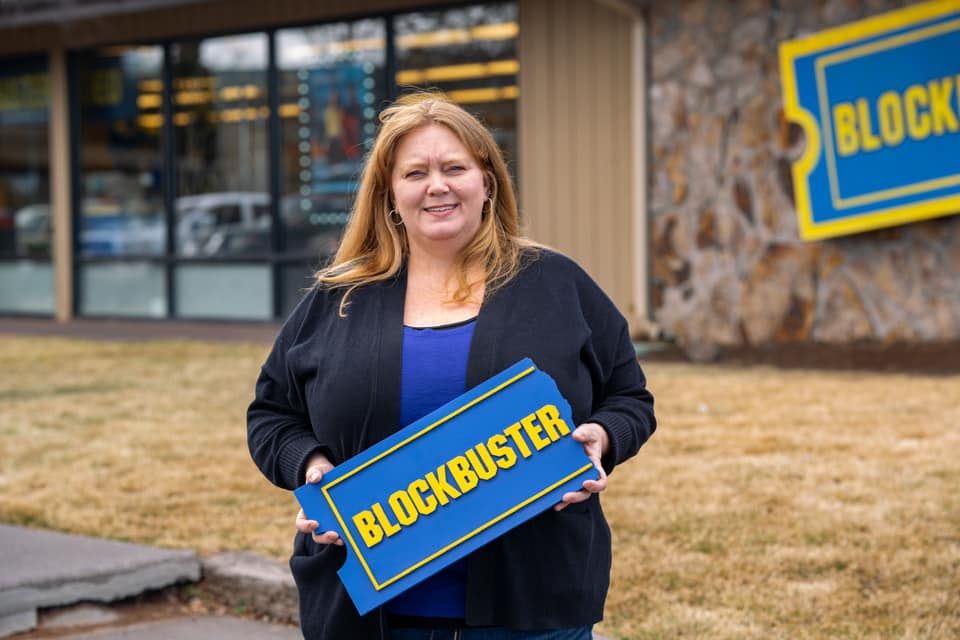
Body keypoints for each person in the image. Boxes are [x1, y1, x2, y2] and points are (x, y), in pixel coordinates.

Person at [247, 94, 656, 640]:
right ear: (391, 195)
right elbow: (272, 415)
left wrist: (602, 438)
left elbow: (630, 399)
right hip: (369, 615)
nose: (436, 185)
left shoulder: (557, 284)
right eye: (415, 173)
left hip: (530, 608)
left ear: (487, 181)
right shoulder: (338, 298)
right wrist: (313, 468)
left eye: (454, 168)